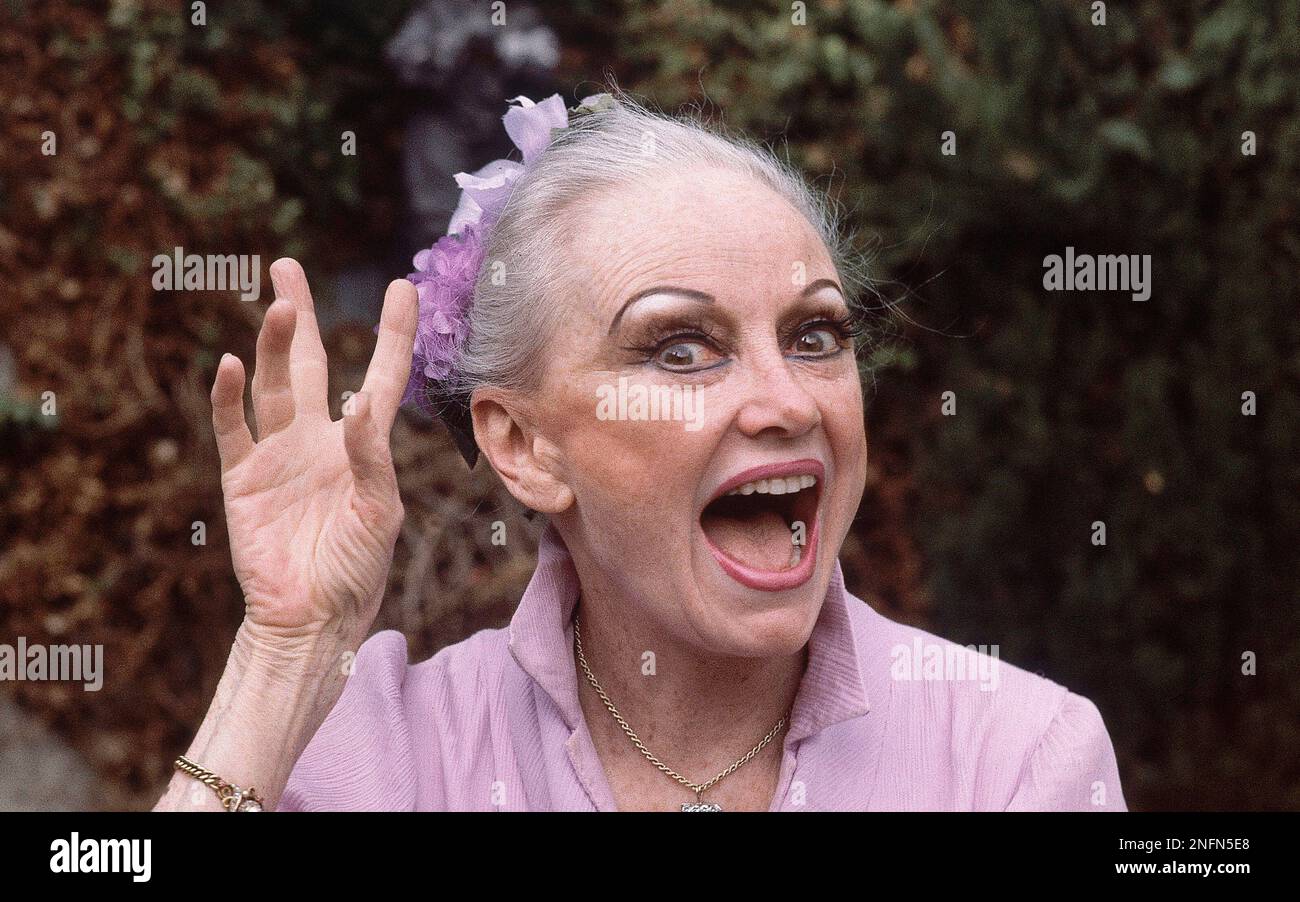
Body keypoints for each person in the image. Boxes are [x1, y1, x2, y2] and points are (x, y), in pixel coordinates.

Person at [153, 90, 1125, 812]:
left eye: (815, 335)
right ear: (523, 444)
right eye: (679, 347)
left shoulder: (1016, 760)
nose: (786, 401)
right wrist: (280, 658)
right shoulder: (381, 755)